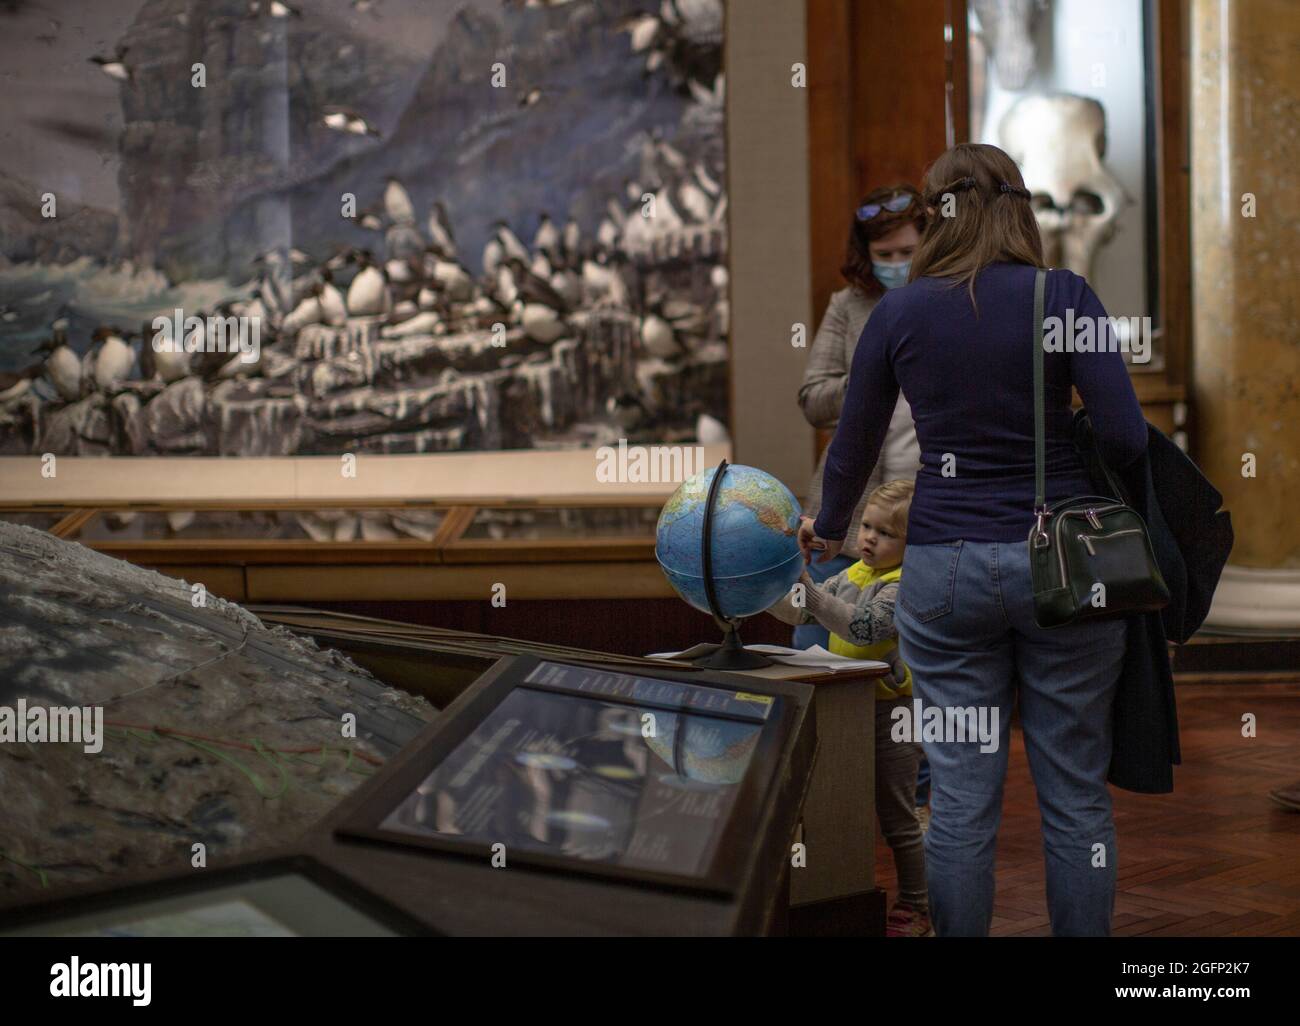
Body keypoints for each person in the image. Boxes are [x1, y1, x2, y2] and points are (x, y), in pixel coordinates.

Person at [800, 142, 1148, 937]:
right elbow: (1126, 437)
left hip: (944, 573)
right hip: (1065, 573)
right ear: (1020, 209)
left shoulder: (900, 312)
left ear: (935, 218)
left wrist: (824, 531)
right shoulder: (1064, 296)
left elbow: (848, 446)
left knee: (957, 800)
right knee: (1075, 799)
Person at [766, 480, 930, 937]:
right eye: (868, 527)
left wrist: (811, 593)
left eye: (886, 533)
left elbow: (861, 628)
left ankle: (917, 905)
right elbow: (800, 612)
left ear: (914, 545)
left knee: (899, 817)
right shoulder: (854, 574)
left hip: (891, 717)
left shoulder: (905, 587)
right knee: (844, 807)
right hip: (849, 709)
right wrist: (773, 586)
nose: (870, 538)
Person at [794, 185, 924, 651]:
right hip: (848, 526)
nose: (896, 262)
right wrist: (871, 375)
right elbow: (813, 399)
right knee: (813, 652)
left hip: (925, 527)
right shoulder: (848, 306)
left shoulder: (950, 303)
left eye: (907, 251)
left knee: (904, 671)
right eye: (883, 253)